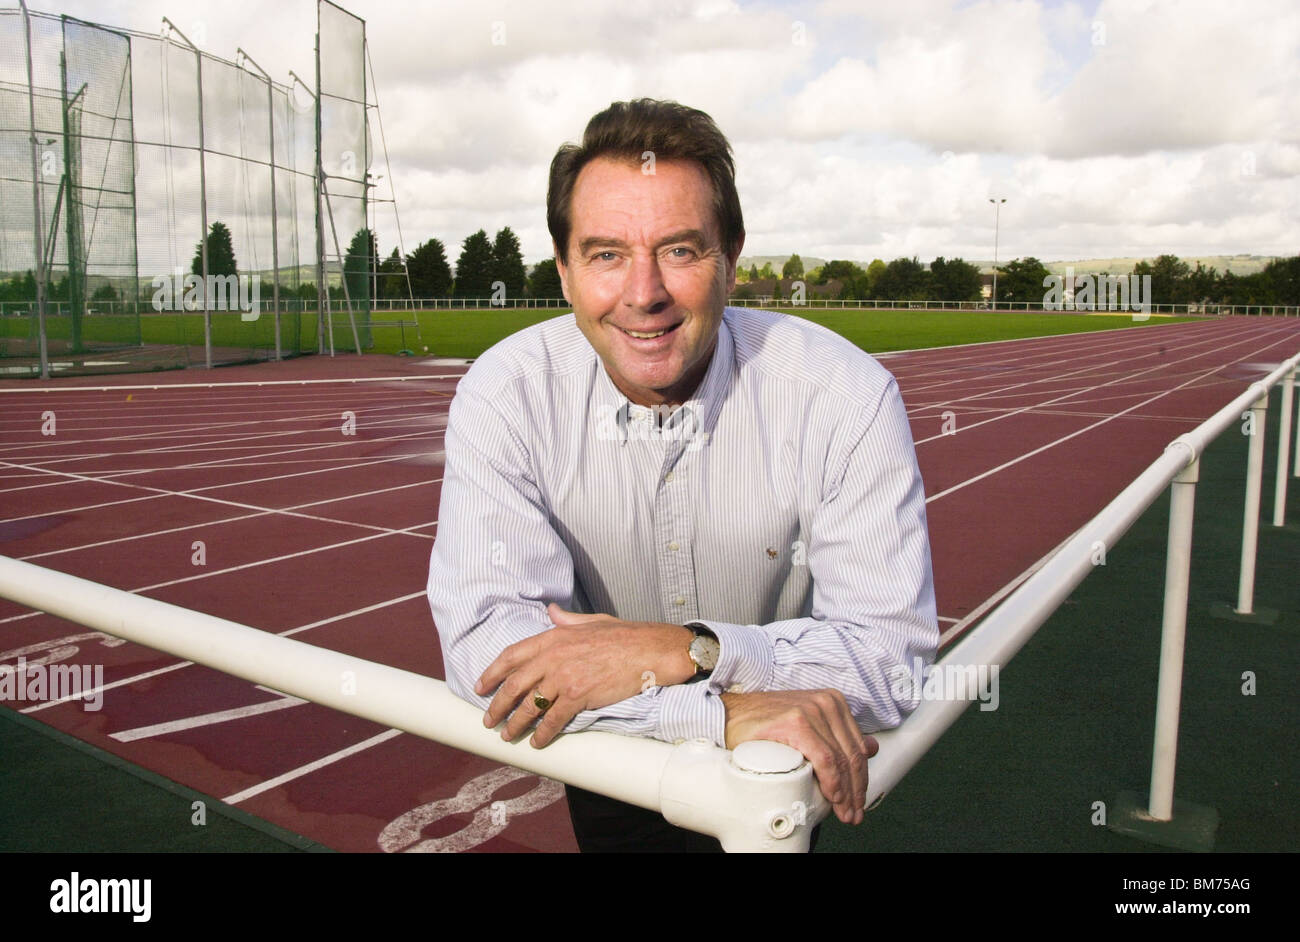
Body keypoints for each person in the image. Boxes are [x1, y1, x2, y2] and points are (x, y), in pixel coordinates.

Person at [426, 98, 937, 853]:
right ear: (564, 272)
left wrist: (687, 649)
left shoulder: (843, 396)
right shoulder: (508, 393)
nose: (643, 293)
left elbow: (888, 657)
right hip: (624, 750)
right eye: (605, 254)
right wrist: (722, 708)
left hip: (776, 764)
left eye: (679, 250)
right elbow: (486, 648)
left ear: (730, 257)